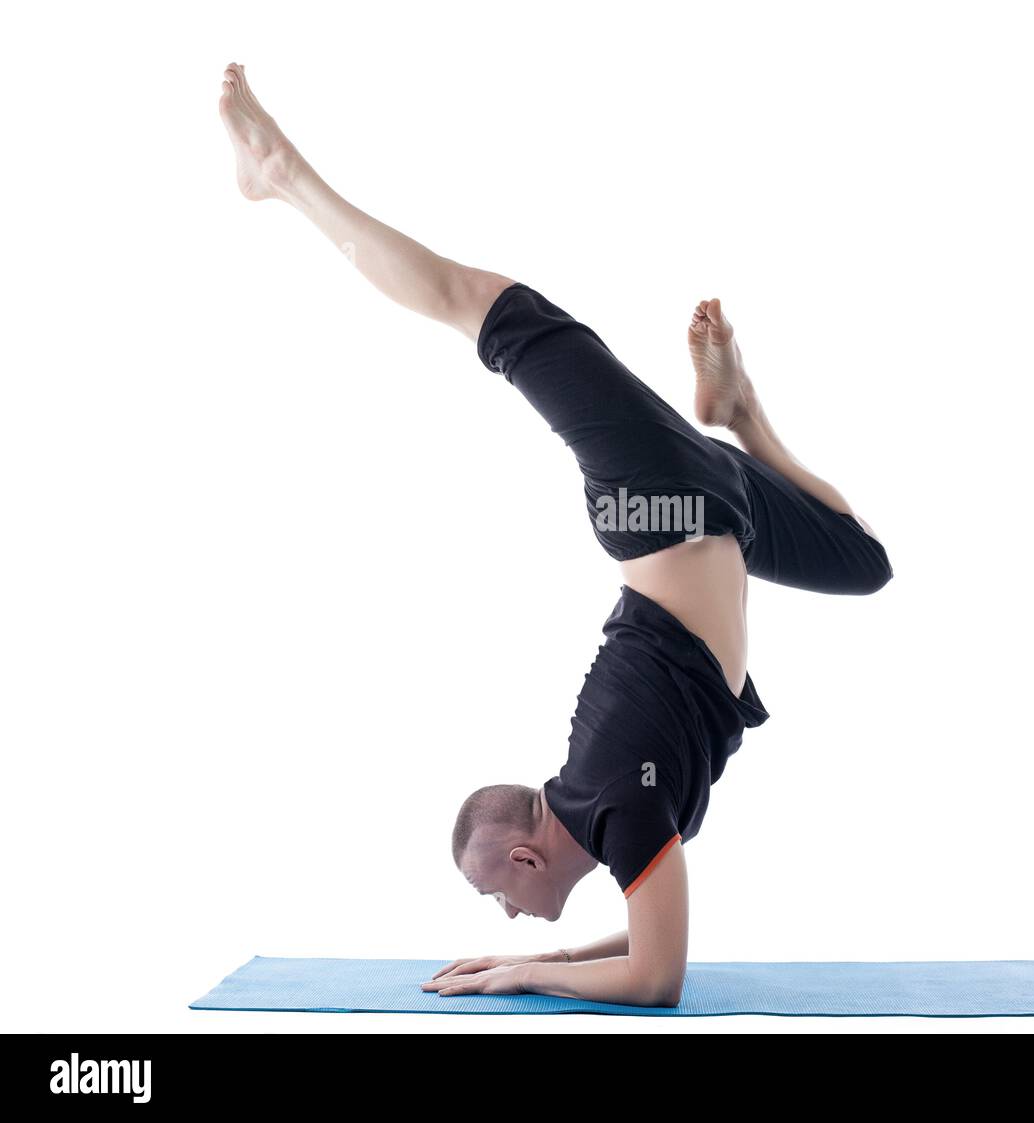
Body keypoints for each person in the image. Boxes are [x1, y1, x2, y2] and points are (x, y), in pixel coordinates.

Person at [218, 62, 892, 1007]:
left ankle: (280, 171)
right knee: (865, 565)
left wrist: (527, 971)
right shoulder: (615, 811)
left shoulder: (615, 793)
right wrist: (546, 966)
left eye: (497, 896)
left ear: (529, 851)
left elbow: (658, 976)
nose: (510, 919)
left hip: (656, 500)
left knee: (477, 303)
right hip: (717, 503)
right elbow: (658, 957)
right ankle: (740, 412)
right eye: (500, 907)